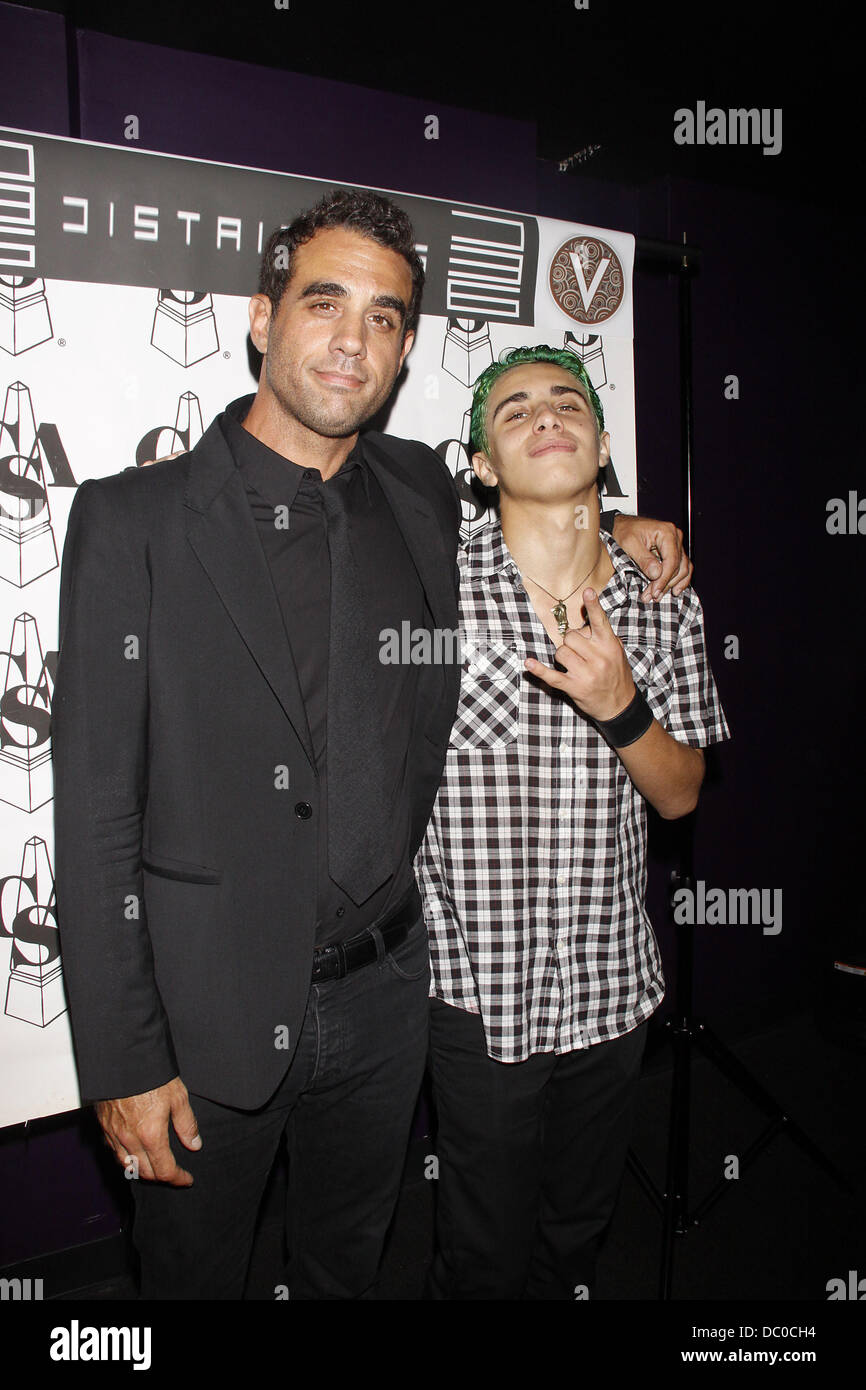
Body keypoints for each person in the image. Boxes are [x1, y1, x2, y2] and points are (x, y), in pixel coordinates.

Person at [52, 189, 691, 1300]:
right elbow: (97, 812)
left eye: (385, 317)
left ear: (402, 352)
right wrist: (123, 1060)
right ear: (263, 320)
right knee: (189, 1282)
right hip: (204, 1018)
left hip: (390, 995)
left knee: (349, 1270)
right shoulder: (131, 520)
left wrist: (620, 523)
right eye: (325, 303)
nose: (354, 339)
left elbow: (534, 510)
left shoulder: (418, 490)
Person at [415, 344, 731, 1300]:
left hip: (610, 983)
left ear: (600, 447)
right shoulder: (429, 585)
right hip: (477, 992)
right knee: (480, 1254)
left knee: (575, 1239)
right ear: (481, 464)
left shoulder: (664, 603)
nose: (545, 416)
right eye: (514, 412)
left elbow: (682, 794)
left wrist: (622, 706)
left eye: (566, 403)